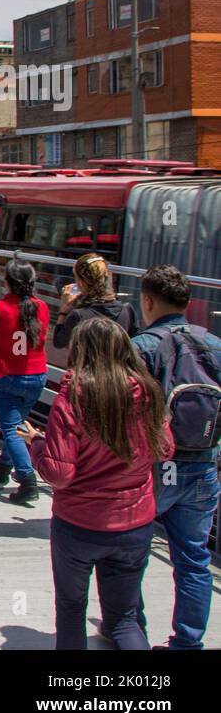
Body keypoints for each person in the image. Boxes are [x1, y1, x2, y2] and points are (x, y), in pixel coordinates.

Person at [19, 317, 173, 650]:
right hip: (134, 524)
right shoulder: (147, 392)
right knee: (125, 619)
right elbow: (164, 448)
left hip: (79, 525)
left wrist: (37, 445)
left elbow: (59, 472)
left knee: (72, 609)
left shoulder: (73, 396)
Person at [131, 265, 221, 649]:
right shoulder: (214, 345)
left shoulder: (140, 347)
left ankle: (129, 628)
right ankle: (188, 643)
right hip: (203, 466)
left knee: (131, 555)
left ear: (147, 301)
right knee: (194, 559)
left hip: (152, 467)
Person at [0, 260, 51, 503]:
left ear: (6, 282)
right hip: (36, 375)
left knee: (12, 429)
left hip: (4, 376)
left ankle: (27, 479)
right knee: (17, 426)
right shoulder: (42, 307)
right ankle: (3, 467)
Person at [53, 252, 140, 350]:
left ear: (81, 282)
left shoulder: (78, 315)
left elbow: (58, 342)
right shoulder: (127, 310)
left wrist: (64, 309)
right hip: (118, 365)